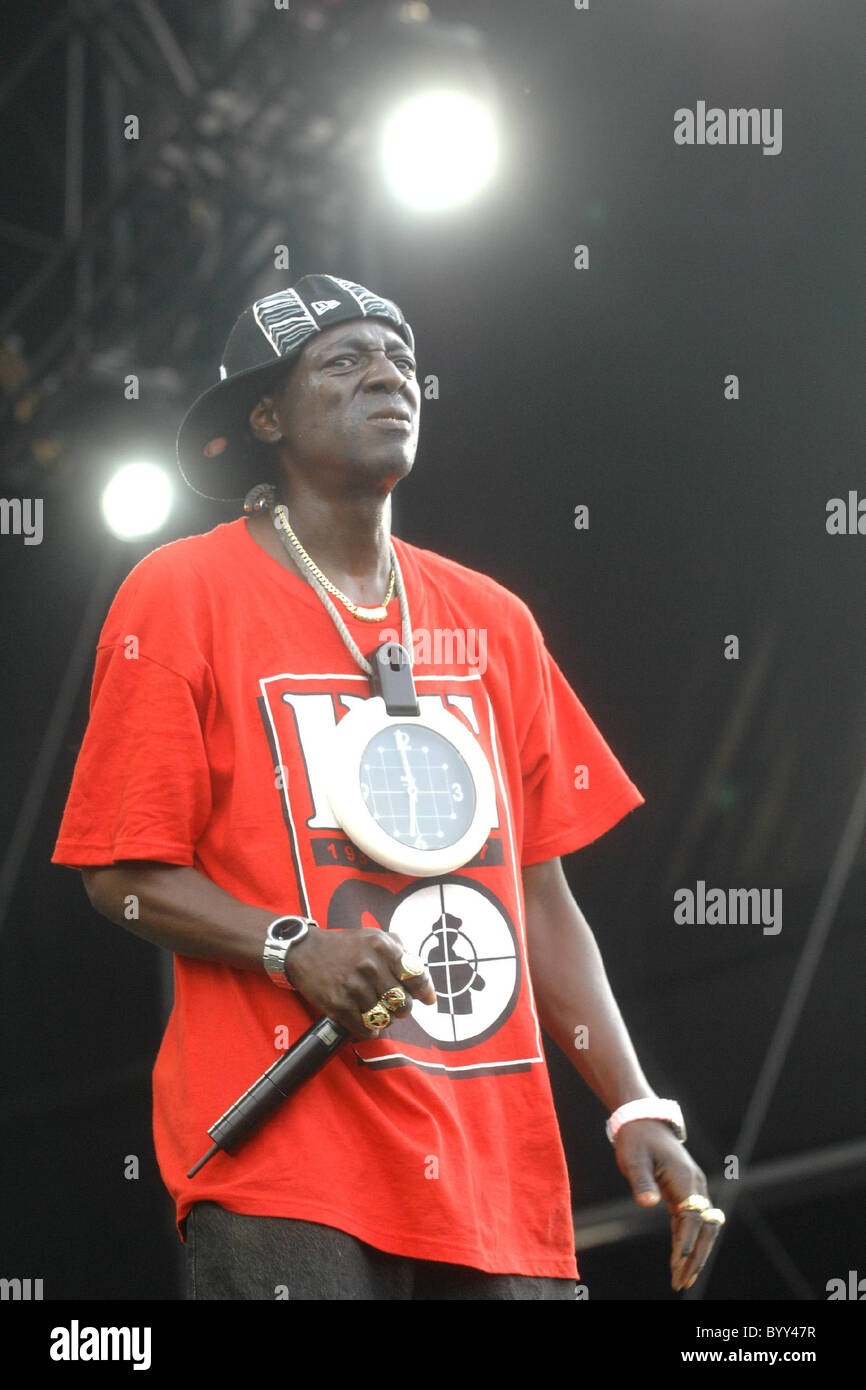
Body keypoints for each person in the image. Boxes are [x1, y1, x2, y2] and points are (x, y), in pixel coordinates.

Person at [51, 273, 723, 1300]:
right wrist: (291, 946)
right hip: (285, 1168)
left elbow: (538, 896)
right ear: (265, 415)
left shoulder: (489, 619)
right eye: (344, 359)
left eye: (401, 359)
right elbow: (121, 876)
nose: (386, 376)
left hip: (493, 1176)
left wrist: (633, 1103)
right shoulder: (181, 592)